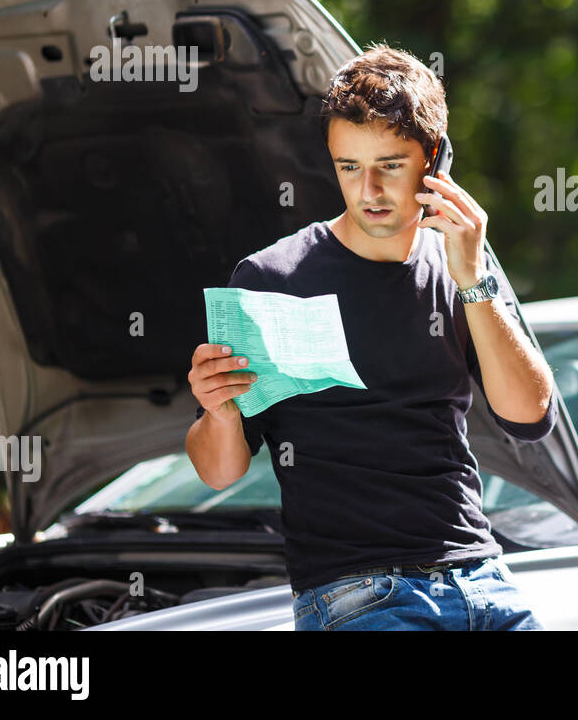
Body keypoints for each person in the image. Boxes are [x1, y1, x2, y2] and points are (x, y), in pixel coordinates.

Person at [184, 43, 557, 630]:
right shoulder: (273, 278)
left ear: (434, 160)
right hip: (357, 595)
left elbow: (530, 417)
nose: (369, 192)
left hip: (483, 578)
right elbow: (220, 472)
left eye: (390, 165)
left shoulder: (462, 263)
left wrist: (474, 280)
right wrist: (219, 414)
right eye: (349, 167)